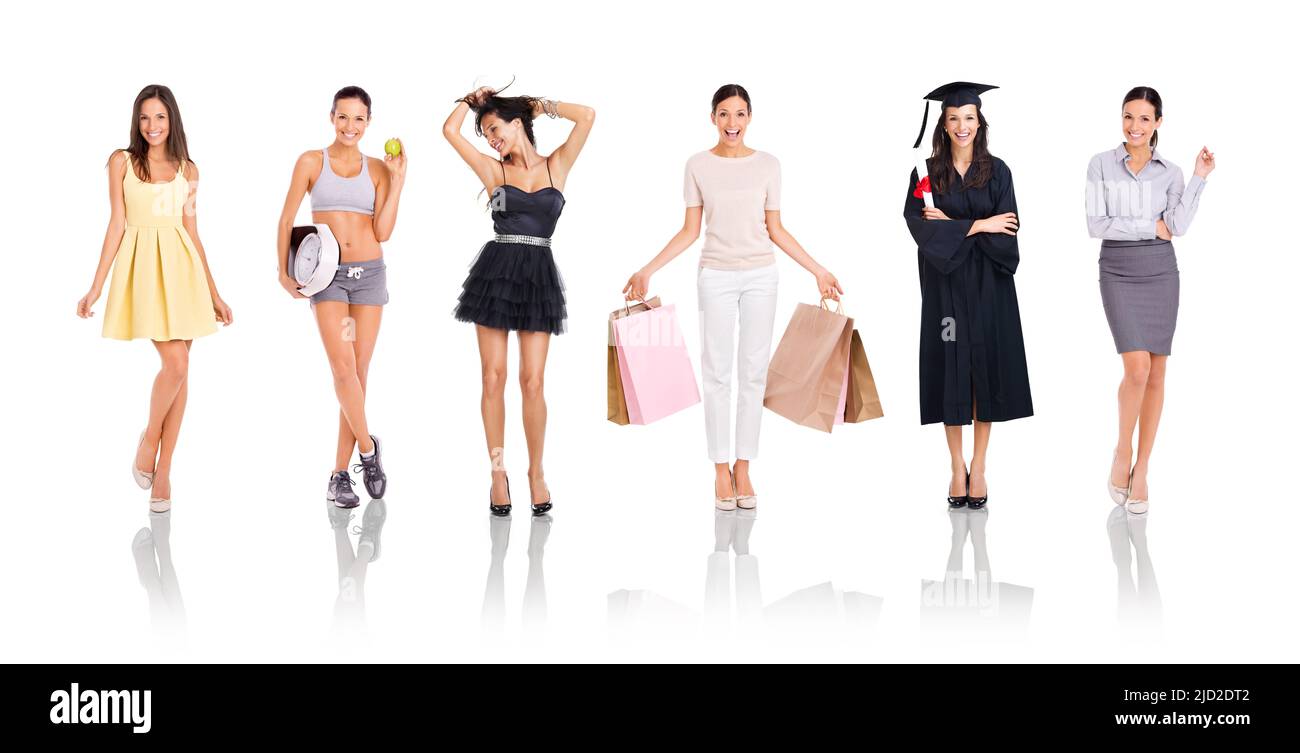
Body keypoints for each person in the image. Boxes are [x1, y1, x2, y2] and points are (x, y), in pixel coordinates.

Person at [624, 84, 842, 510]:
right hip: (716, 277)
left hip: (762, 276)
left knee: (754, 374)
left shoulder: (768, 165)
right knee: (719, 375)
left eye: (740, 114)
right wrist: (647, 269)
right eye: (724, 114)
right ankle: (720, 469)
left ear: (750, 118)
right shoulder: (697, 165)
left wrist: (819, 270)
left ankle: (744, 465)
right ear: (712, 118)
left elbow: (776, 229)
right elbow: (690, 231)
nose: (732, 123)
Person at [77, 84, 233, 513]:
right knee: (176, 364)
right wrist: (96, 287)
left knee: (182, 370)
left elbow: (193, 233)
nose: (152, 126)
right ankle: (149, 439)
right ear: (136, 121)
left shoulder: (189, 169)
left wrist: (215, 293)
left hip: (183, 271)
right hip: (143, 269)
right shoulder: (121, 162)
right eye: (145, 118)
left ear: (173, 120)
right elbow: (116, 224)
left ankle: (163, 470)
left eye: (160, 117)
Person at [444, 84, 595, 516]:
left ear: (517, 123)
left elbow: (586, 114)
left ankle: (536, 473)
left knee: (533, 381)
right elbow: (449, 133)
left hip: (538, 277)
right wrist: (468, 103)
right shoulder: (494, 172)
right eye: (486, 135)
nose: (491, 140)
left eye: (495, 129)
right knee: (493, 378)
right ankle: (497, 473)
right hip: (495, 274)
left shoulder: (556, 167)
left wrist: (537, 106)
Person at [903, 82, 1033, 510]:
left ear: (980, 123)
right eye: (954, 118)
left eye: (969, 118)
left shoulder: (999, 172)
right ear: (943, 122)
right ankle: (955, 465)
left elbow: (1009, 229)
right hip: (945, 290)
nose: (962, 126)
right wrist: (979, 224)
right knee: (951, 373)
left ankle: (979, 466)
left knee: (984, 373)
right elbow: (923, 232)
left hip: (989, 287)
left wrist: (954, 224)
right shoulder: (925, 175)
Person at [1086, 85, 1214, 515]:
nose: (1134, 126)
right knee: (1136, 368)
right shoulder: (1100, 164)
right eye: (1128, 116)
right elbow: (1097, 224)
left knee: (1157, 371)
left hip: (1161, 272)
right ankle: (1123, 451)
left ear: (1158, 122)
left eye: (1144, 118)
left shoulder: (1172, 173)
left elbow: (1176, 225)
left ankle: (1142, 467)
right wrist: (1148, 226)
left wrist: (1199, 177)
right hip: (1118, 271)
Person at [276, 86, 406, 508]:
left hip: (368, 275)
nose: (351, 126)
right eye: (344, 117)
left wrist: (399, 181)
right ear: (332, 117)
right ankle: (368, 451)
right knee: (343, 369)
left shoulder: (379, 169)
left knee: (359, 373)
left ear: (369, 123)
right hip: (327, 277)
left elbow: (383, 231)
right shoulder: (312, 162)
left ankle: (338, 476)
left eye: (359, 119)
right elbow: (286, 216)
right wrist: (282, 270)